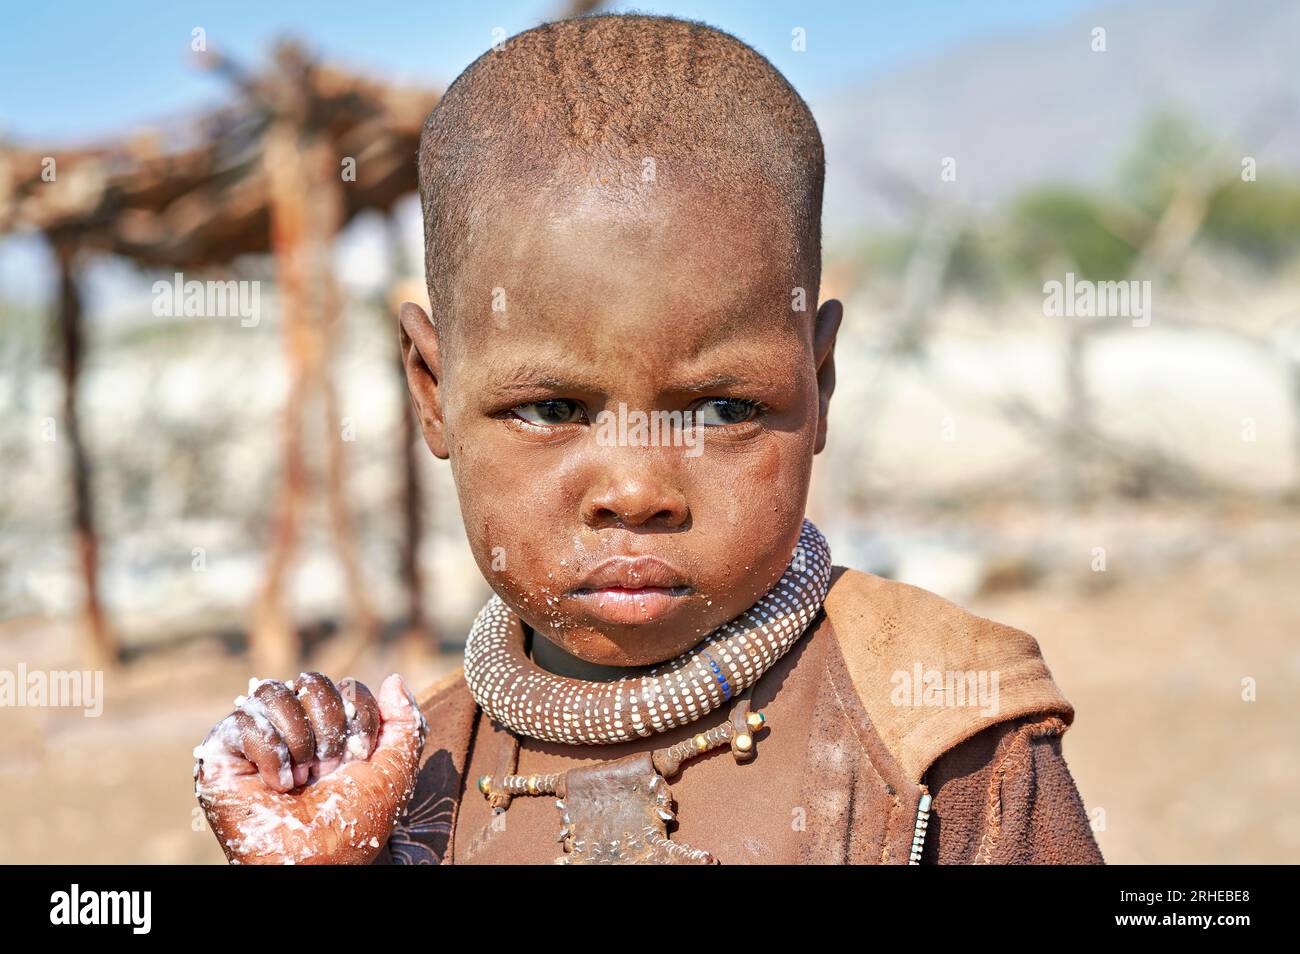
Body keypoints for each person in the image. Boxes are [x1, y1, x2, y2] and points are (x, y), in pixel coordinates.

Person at [194, 13, 1103, 865]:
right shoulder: (406, 784)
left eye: (721, 411)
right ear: (433, 391)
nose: (635, 491)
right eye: (552, 411)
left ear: (817, 385)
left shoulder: (943, 729)